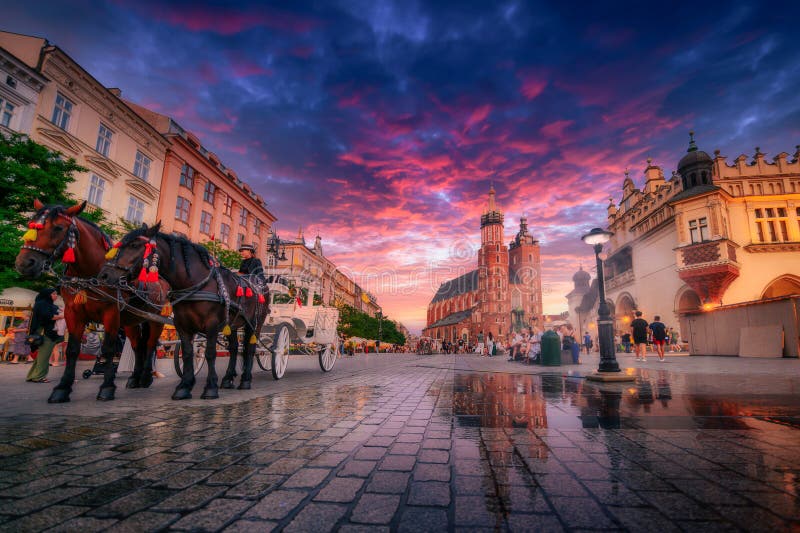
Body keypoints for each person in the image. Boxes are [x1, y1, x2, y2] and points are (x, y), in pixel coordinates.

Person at [26, 288, 63, 383]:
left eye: (56, 294)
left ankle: (32, 375)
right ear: (47, 295)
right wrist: (63, 316)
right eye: (54, 294)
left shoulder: (46, 304)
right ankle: (39, 377)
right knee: (44, 356)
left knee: (42, 356)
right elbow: (48, 317)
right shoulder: (43, 304)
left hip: (45, 332)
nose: (56, 296)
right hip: (46, 333)